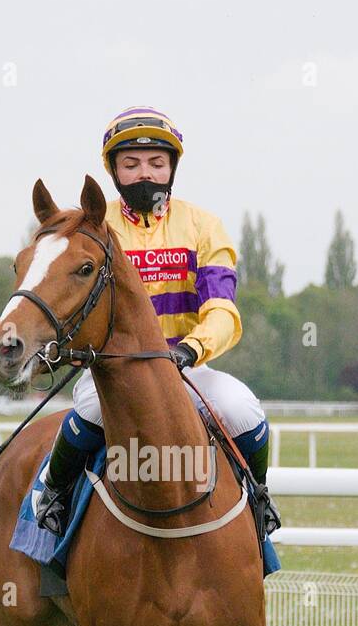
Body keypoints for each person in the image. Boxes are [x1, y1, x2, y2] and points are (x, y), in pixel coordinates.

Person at [33, 105, 281, 539]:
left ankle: (257, 499)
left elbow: (222, 308)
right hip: (112, 370)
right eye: (130, 164)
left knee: (242, 410)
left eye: (155, 162)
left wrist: (189, 350)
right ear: (113, 171)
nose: (144, 173)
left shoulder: (203, 226)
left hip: (187, 364)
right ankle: (53, 491)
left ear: (171, 168)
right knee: (89, 409)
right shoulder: (95, 226)